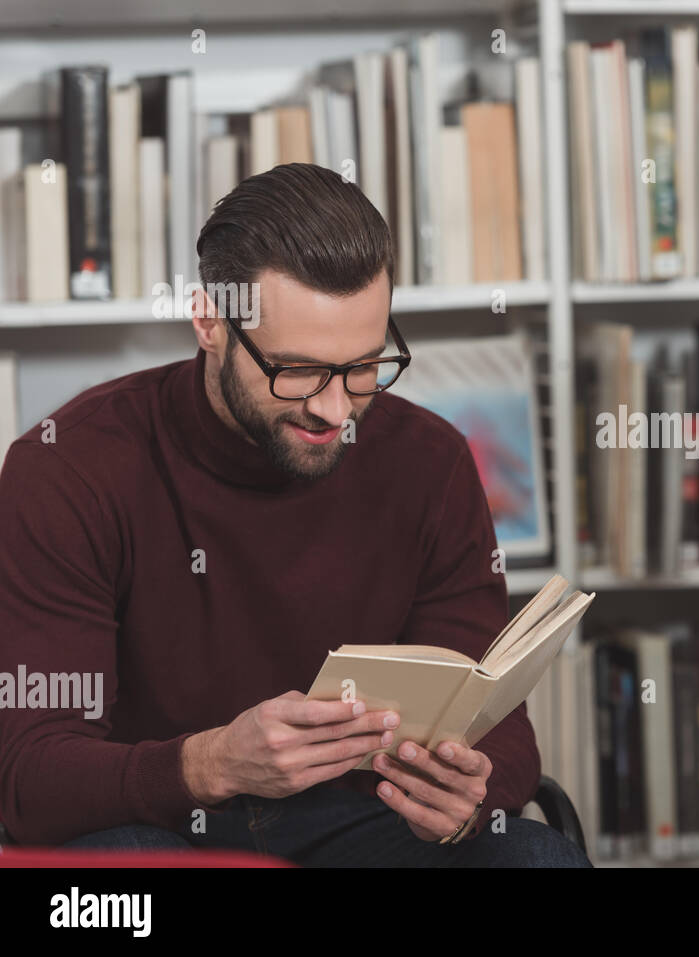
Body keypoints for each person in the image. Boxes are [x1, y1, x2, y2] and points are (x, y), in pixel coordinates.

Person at [0, 163, 589, 867]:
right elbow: (28, 777)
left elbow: (507, 737)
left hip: (366, 818)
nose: (335, 410)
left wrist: (470, 793)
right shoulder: (69, 468)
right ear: (209, 321)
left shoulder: (431, 461)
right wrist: (209, 763)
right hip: (162, 822)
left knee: (532, 855)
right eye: (297, 371)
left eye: (364, 365)